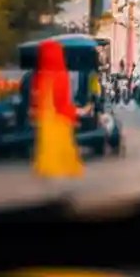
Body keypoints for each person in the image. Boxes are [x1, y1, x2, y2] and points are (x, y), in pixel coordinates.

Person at [32, 40, 83, 179]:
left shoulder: (41, 75)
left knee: (49, 143)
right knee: (62, 141)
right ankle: (63, 167)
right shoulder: (61, 74)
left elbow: (37, 96)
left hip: (47, 115)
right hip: (58, 115)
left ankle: (51, 167)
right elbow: (63, 97)